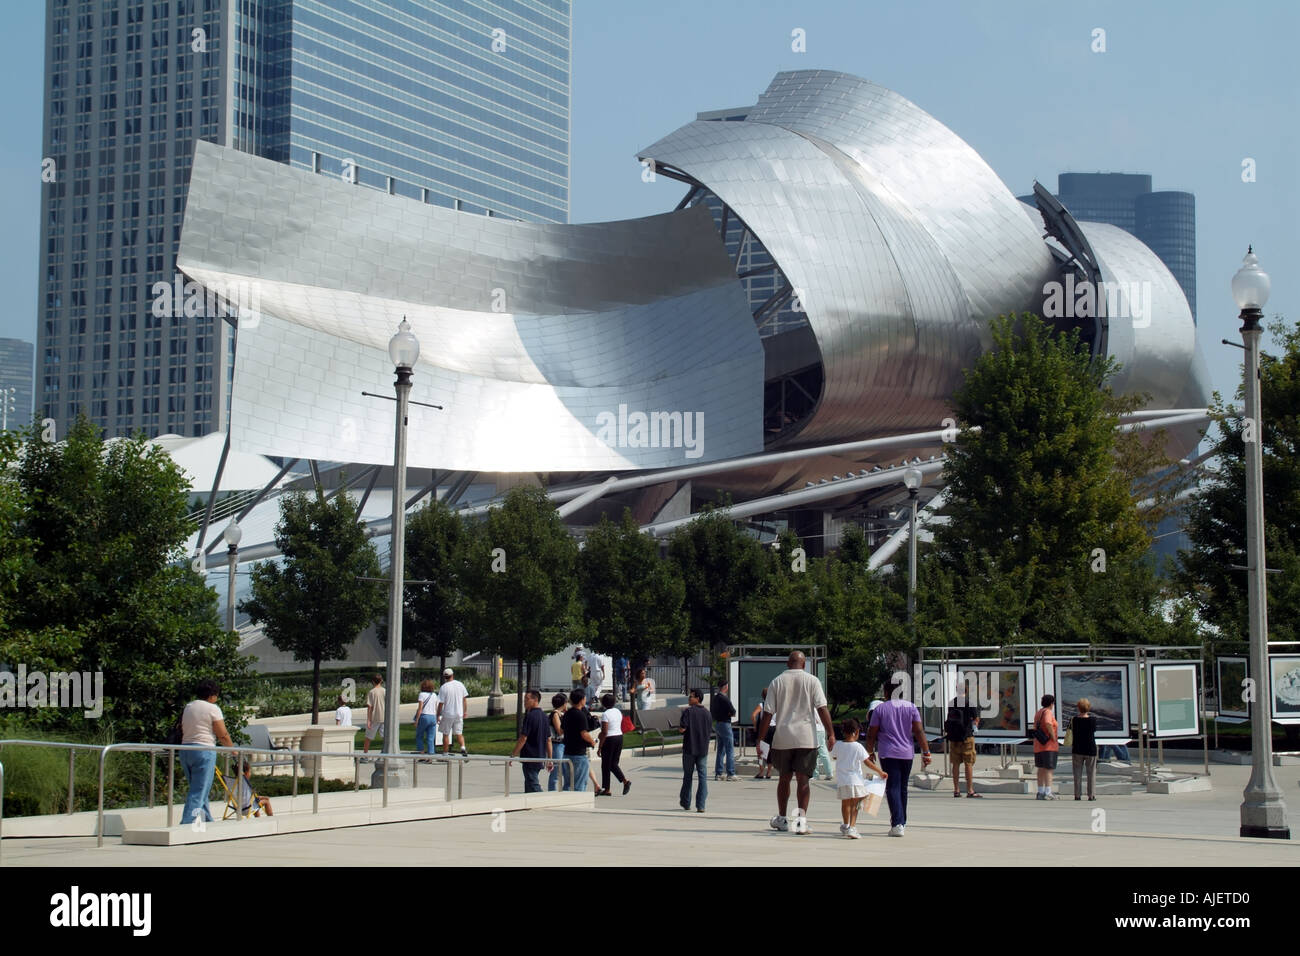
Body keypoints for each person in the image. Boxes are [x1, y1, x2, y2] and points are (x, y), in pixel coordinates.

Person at [755, 651, 836, 834]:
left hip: (783, 738)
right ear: (804, 664)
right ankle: (801, 821)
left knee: (784, 778)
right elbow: (822, 709)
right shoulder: (812, 681)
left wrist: (760, 739)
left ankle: (782, 818)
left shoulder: (776, 682)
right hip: (807, 738)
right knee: (803, 780)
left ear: (787, 663)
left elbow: (767, 714)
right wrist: (831, 733)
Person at [866, 677, 932, 837]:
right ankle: (902, 821)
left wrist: (869, 751)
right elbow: (919, 731)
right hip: (907, 752)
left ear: (887, 692)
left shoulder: (880, 709)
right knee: (902, 788)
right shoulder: (911, 707)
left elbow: (871, 732)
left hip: (888, 752)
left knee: (892, 787)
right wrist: (926, 752)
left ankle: (897, 823)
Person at [179, 679, 234, 824]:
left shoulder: (189, 706)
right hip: (203, 751)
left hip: (185, 750)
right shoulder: (212, 708)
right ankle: (186, 824)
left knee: (199, 789)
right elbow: (222, 734)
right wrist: (233, 751)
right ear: (212, 695)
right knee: (199, 791)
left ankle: (207, 821)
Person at [832, 718, 885, 839]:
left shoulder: (838, 745)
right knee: (855, 805)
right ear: (856, 732)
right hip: (855, 780)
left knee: (845, 804)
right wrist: (880, 772)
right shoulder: (858, 746)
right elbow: (867, 763)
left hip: (842, 780)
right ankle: (852, 827)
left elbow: (834, 757)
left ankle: (845, 825)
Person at [510, 689, 552, 793]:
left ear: (535, 700)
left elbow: (523, 737)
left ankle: (543, 800)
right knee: (529, 784)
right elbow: (548, 740)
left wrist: (513, 754)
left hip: (530, 756)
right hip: (540, 756)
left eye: (527, 699)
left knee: (533, 784)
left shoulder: (530, 716)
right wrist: (549, 758)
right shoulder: (544, 716)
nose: (524, 702)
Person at [679, 688, 712, 812]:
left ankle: (686, 802)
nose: (689, 699)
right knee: (702, 776)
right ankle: (701, 805)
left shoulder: (688, 712)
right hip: (703, 749)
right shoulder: (707, 713)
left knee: (688, 776)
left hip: (689, 748)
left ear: (697, 698)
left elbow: (682, 728)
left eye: (691, 697)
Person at [945, 688, 982, 798]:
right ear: (966, 690)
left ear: (956, 690)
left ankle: (956, 790)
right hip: (967, 737)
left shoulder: (952, 703)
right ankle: (970, 790)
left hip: (954, 737)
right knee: (968, 763)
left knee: (955, 764)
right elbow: (976, 719)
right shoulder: (969, 703)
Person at [561, 688, 599, 791]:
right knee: (580, 784)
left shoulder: (567, 714)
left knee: (568, 784)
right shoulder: (580, 715)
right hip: (579, 754)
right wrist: (592, 741)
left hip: (567, 752)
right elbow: (584, 733)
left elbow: (562, 729)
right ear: (582, 699)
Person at [596, 693, 631, 796]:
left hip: (609, 740)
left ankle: (609, 788)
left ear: (604, 703)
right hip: (619, 737)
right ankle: (624, 782)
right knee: (613, 763)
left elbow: (604, 732)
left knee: (606, 765)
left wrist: (600, 747)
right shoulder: (617, 711)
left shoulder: (605, 714)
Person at [1069, 697, 1099, 801]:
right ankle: (1091, 795)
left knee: (1077, 773)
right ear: (1088, 708)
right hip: (1090, 748)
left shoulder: (1074, 720)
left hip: (1077, 748)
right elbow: (1094, 730)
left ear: (1078, 708)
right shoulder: (1093, 720)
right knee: (1091, 773)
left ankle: (1077, 795)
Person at [437, 667, 469, 756]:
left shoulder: (443, 687)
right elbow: (464, 700)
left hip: (448, 713)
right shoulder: (460, 685)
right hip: (459, 713)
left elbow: (441, 703)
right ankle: (463, 747)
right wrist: (464, 711)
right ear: (452, 675)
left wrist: (438, 714)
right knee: (459, 733)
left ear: (444, 677)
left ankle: (445, 753)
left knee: (446, 734)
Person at [1033, 693, 1060, 800]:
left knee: (1040, 768)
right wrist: (1053, 736)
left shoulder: (1038, 712)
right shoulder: (1048, 712)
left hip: (1038, 744)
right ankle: (1048, 791)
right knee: (1049, 769)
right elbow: (1048, 723)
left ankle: (1040, 791)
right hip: (1048, 746)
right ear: (1051, 703)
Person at [711, 682, 737, 781]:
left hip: (718, 724)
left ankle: (719, 773)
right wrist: (729, 714)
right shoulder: (725, 699)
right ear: (725, 687)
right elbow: (733, 711)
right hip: (726, 724)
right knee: (730, 749)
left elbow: (713, 712)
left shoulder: (716, 698)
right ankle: (731, 773)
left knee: (720, 750)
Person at [548, 693, 572, 791]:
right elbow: (559, 730)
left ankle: (566, 791)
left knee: (566, 771)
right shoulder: (555, 714)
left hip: (562, 744)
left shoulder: (561, 714)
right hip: (556, 745)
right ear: (564, 703)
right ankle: (552, 791)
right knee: (556, 771)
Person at [414, 677, 439, 760]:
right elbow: (436, 708)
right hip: (433, 717)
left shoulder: (422, 694)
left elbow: (420, 708)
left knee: (419, 735)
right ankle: (430, 756)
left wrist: (417, 720)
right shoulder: (434, 695)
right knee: (431, 737)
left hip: (424, 716)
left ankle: (422, 753)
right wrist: (437, 717)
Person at [750, 689, 773, 779]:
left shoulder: (761, 705)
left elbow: (753, 716)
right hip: (773, 729)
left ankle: (761, 771)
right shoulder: (775, 705)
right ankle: (769, 772)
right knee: (770, 752)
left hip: (764, 729)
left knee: (761, 752)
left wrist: (756, 725)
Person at [361, 674, 384, 761]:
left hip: (375, 717)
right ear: (381, 681)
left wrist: (368, 720)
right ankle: (384, 754)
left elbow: (370, 707)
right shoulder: (385, 691)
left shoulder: (372, 692)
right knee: (384, 738)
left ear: (373, 682)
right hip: (384, 717)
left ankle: (365, 755)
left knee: (368, 737)